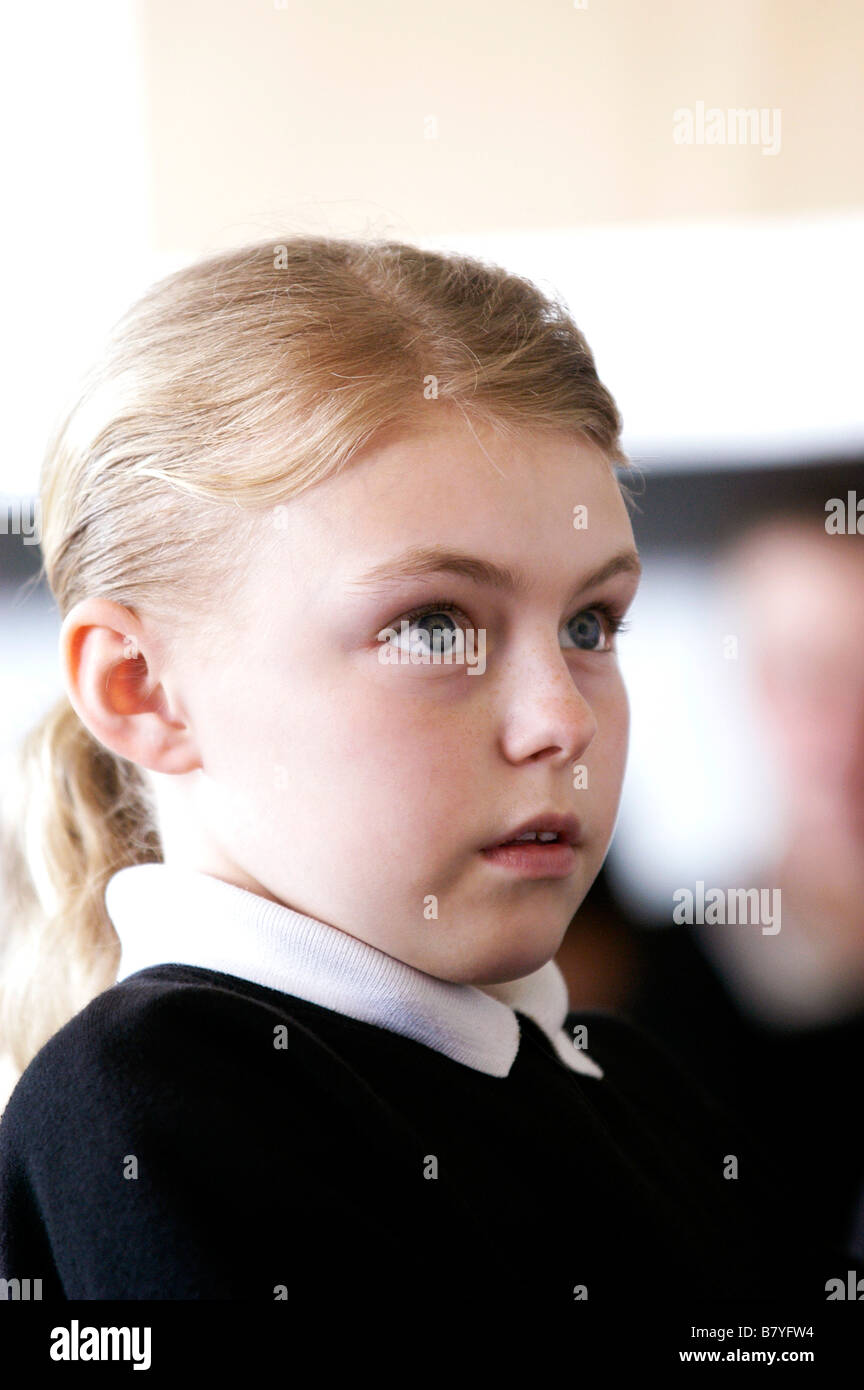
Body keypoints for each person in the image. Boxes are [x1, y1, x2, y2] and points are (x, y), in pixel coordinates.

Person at [0, 236, 851, 1312]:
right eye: (435, 625)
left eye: (591, 621)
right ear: (142, 688)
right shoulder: (157, 1100)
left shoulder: (627, 1087)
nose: (562, 718)